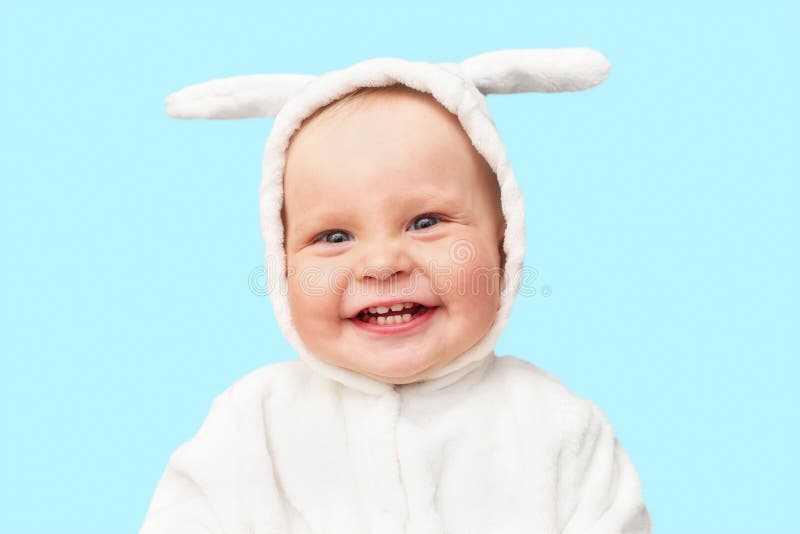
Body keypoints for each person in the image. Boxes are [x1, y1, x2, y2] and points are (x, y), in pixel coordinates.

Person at [140, 48, 653, 534]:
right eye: (333, 237)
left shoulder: (557, 426)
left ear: (504, 242)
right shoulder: (252, 426)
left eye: (425, 222)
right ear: (282, 261)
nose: (382, 263)